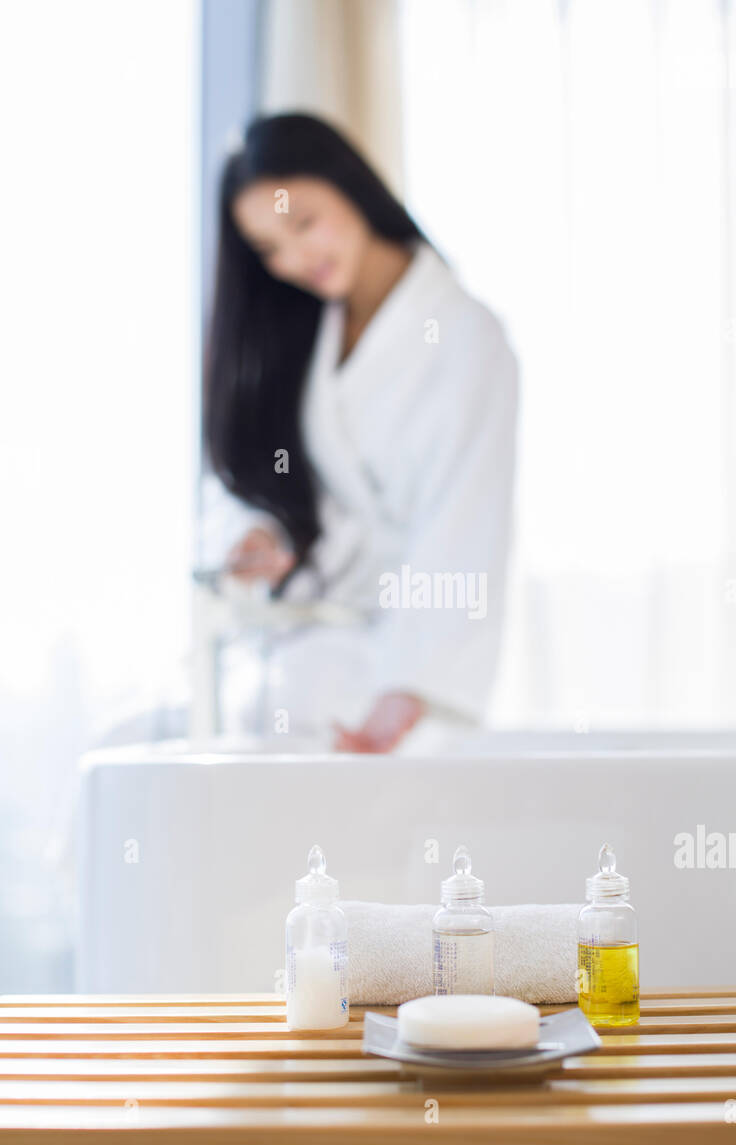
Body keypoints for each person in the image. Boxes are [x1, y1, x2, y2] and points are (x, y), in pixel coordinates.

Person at [203, 113, 519, 753]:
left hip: (392, 682)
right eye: (267, 248)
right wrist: (258, 534)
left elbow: (464, 527)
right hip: (288, 647)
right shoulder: (301, 329)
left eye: (303, 224)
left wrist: (407, 693)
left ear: (353, 187)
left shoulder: (466, 339)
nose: (292, 259)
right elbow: (263, 475)